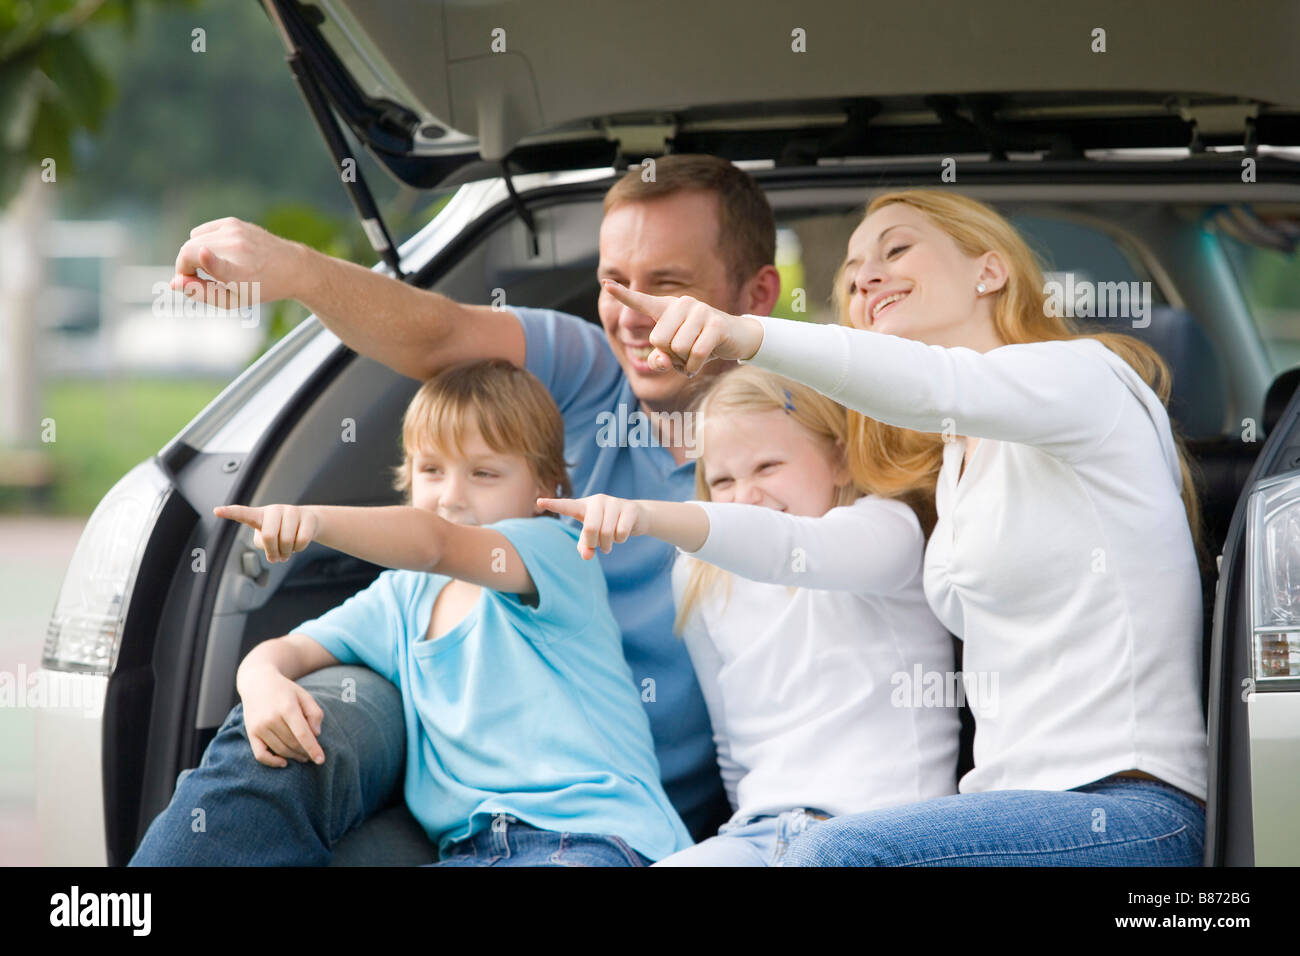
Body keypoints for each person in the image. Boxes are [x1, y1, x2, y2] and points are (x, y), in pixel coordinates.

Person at [135, 155, 780, 863]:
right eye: (613, 283)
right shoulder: (593, 372)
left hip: (609, 821)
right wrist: (288, 270)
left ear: (756, 296)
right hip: (473, 801)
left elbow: (437, 539)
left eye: (668, 285)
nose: (630, 315)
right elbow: (437, 336)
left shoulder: (801, 448)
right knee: (284, 735)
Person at [597, 188, 1209, 866]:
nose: (866, 276)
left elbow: (936, 384)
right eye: (854, 271)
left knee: (838, 856)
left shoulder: (1082, 376)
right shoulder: (955, 461)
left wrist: (746, 336)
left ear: (990, 269)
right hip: (1002, 808)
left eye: (895, 249)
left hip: (1125, 806)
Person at [133, 360, 692, 866]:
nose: (451, 496)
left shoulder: (555, 552)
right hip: (471, 852)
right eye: (431, 471)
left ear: (545, 487)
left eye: (484, 474)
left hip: (592, 840)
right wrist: (258, 679)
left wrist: (317, 521)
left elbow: (436, 541)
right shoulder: (403, 597)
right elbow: (294, 649)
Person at [538, 365, 960, 866]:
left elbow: (790, 546)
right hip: (760, 835)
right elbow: (730, 745)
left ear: (841, 459)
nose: (745, 497)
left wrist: (650, 516)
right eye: (722, 480)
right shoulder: (700, 575)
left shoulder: (887, 531)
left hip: (884, 832)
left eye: (766, 467)